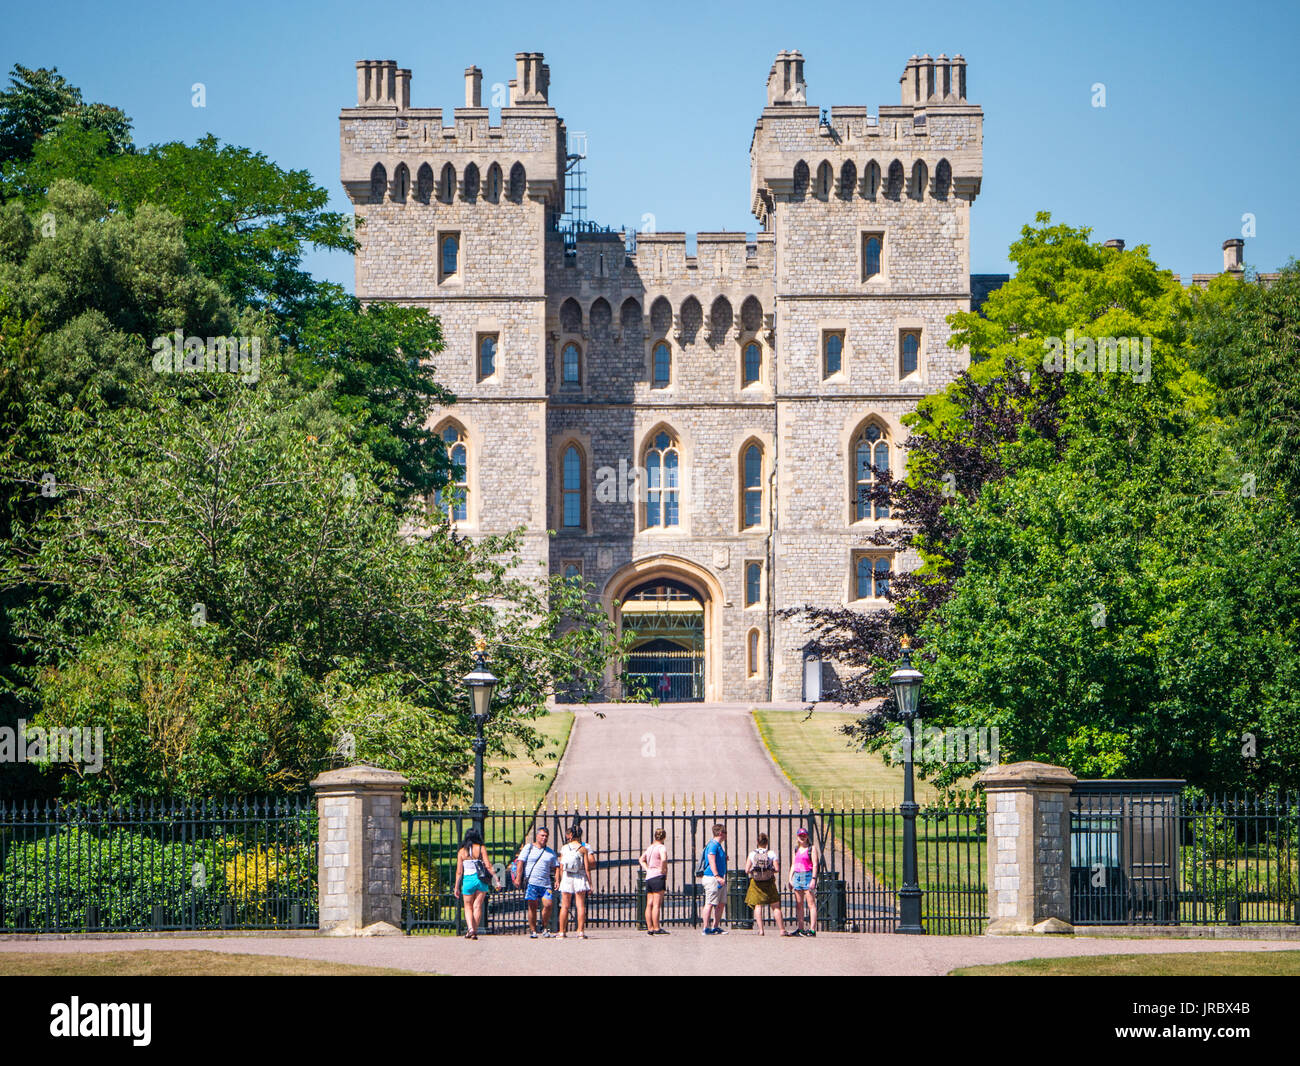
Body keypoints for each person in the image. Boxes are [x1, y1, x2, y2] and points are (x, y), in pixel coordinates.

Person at [454, 827, 500, 940]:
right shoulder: (480, 848)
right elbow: (488, 865)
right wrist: (496, 879)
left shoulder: (461, 851)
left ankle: (470, 928)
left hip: (468, 879)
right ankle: (474, 931)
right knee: (477, 905)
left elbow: (459, 871)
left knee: (468, 906)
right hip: (480, 879)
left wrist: (456, 887)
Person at [514, 826, 560, 938]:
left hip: (546, 884)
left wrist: (557, 880)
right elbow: (520, 862)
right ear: (537, 836)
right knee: (532, 907)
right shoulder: (528, 848)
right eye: (542, 835)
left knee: (548, 905)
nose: (544, 838)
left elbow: (557, 867)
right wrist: (518, 878)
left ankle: (544, 926)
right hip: (532, 883)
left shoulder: (550, 852)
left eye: (546, 836)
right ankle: (533, 930)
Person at [745, 832, 788, 936]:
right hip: (769, 882)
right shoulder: (771, 854)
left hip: (756, 883)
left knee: (758, 906)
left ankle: (761, 930)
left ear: (757, 842)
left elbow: (746, 870)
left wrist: (754, 872)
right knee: (775, 906)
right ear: (767, 842)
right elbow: (777, 869)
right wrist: (769, 871)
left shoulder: (752, 854)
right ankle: (782, 930)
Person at [557, 824, 594, 939]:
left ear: (571, 835)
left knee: (565, 906)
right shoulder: (583, 849)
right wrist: (590, 884)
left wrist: (560, 879)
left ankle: (562, 931)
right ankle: (580, 931)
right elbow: (587, 868)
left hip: (567, 877)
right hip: (579, 876)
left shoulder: (564, 848)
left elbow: (561, 866)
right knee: (580, 905)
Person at [638, 828, 669, 935]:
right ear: (664, 837)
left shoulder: (650, 848)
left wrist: (647, 868)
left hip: (649, 876)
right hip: (658, 876)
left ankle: (649, 927)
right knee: (656, 904)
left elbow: (641, 859)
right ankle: (656, 927)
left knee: (649, 904)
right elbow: (664, 859)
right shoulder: (661, 847)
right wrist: (663, 869)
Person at [789, 826, 819, 936]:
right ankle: (800, 928)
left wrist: (814, 879)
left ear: (807, 837)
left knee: (811, 904)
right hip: (797, 876)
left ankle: (812, 929)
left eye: (804, 835)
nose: (802, 837)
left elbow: (815, 864)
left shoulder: (811, 848)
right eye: (800, 835)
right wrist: (790, 878)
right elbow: (793, 864)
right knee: (799, 904)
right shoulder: (796, 849)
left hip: (807, 875)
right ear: (797, 837)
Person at [699, 823, 728, 935]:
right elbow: (711, 861)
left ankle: (715, 926)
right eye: (725, 832)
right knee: (710, 903)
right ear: (720, 833)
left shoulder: (718, 845)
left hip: (719, 877)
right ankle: (706, 928)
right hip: (712, 877)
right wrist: (717, 876)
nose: (726, 835)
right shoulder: (713, 845)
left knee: (721, 903)